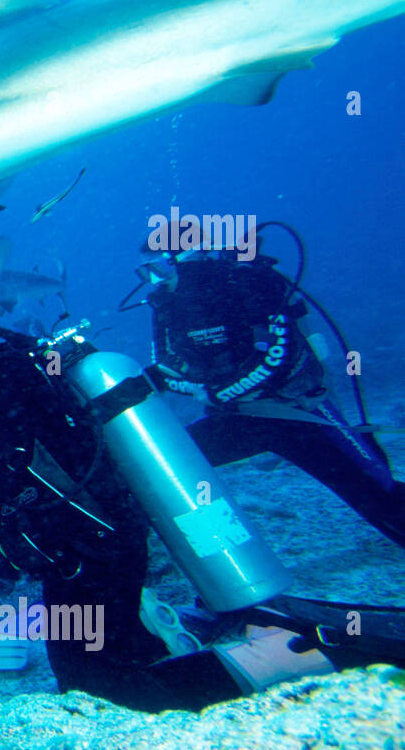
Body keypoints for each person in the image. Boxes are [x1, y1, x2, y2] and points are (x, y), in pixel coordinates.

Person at [0, 268, 398, 713]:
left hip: (88, 551)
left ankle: (306, 652)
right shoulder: (0, 357)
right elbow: (32, 461)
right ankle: (205, 641)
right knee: (121, 652)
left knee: (98, 688)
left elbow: (6, 470)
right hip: (104, 536)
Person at [131, 221, 405, 549]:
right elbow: (165, 364)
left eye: (159, 267)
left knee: (377, 493)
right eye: (148, 271)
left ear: (187, 259)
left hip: (296, 413)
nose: (156, 281)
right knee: (159, 473)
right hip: (235, 417)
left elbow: (278, 358)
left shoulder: (250, 283)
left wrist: (217, 392)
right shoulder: (166, 305)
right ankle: (221, 568)